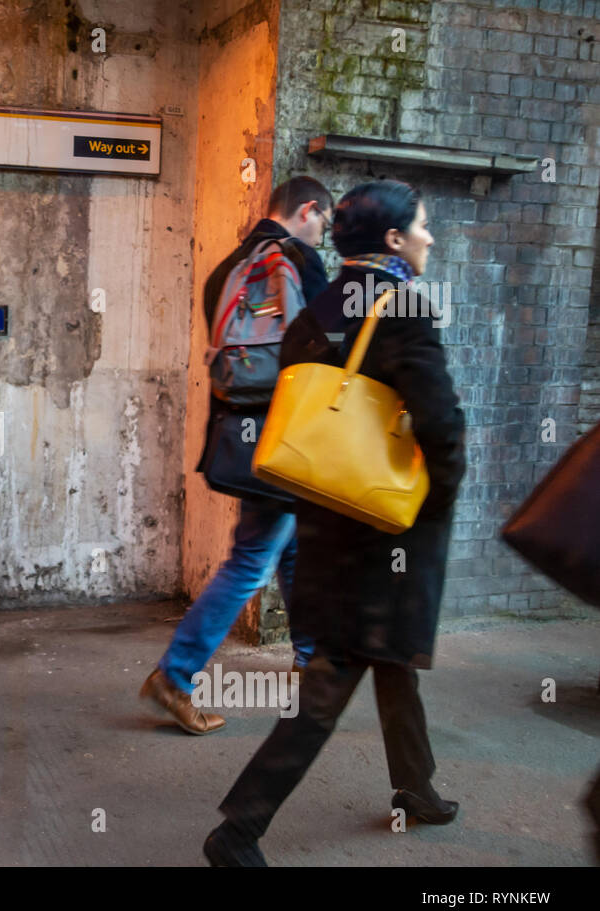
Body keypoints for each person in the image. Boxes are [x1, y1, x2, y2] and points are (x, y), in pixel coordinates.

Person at [203, 179, 467, 866]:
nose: (428, 238)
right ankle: (238, 831)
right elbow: (440, 423)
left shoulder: (313, 307)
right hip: (383, 532)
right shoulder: (404, 306)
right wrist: (435, 505)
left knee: (390, 656)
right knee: (334, 678)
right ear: (392, 239)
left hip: (324, 521)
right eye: (422, 227)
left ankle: (417, 788)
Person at [139, 177, 332, 734]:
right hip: (287, 440)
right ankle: (175, 677)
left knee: (288, 544)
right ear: (308, 211)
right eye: (322, 221)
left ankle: (310, 661)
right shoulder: (301, 259)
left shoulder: (225, 269)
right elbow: (323, 360)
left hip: (238, 436)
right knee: (251, 560)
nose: (322, 232)